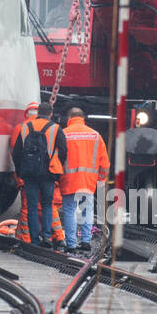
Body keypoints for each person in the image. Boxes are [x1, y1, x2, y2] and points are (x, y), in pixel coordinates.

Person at [11, 102, 67, 246]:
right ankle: (47, 237)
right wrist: (56, 168)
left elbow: (16, 153)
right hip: (48, 174)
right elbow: (63, 151)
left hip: (29, 174)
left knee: (31, 206)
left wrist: (20, 171)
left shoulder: (24, 128)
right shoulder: (55, 128)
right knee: (47, 204)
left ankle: (34, 239)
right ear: (50, 114)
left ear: (38, 113)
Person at [60, 106, 110, 253]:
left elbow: (56, 158)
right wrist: (101, 178)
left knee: (69, 211)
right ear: (83, 119)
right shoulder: (95, 135)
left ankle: (71, 244)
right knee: (86, 211)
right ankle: (86, 241)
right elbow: (105, 163)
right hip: (88, 181)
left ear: (69, 119)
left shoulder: (63, 134)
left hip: (68, 180)